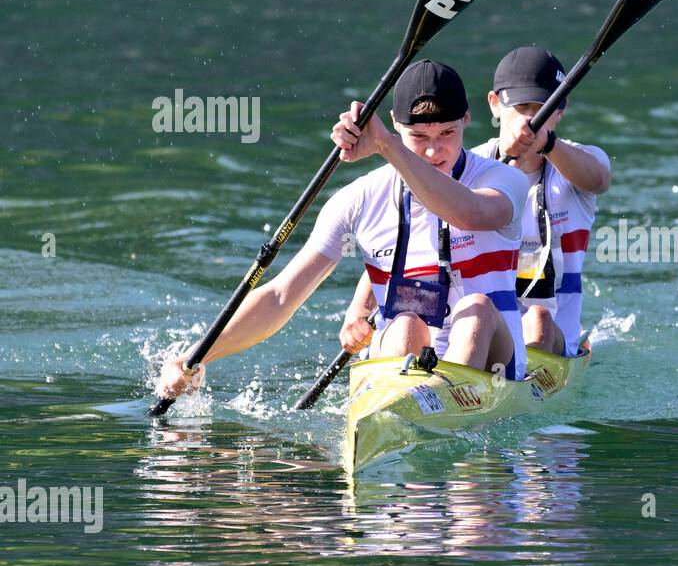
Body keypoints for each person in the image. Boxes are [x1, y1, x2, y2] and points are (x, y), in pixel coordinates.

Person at [156, 60, 530, 399]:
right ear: (398, 126)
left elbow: (469, 213)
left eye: (446, 133)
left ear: (467, 120)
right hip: (400, 364)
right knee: (404, 327)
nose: (434, 152)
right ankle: (406, 412)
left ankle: (446, 409)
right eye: (418, 138)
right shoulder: (358, 199)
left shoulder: (504, 179)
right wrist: (195, 359)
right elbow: (281, 296)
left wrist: (386, 146)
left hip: (491, 368)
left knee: (477, 309)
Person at [338, 46, 610, 360]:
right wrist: (360, 308)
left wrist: (547, 144)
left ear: (561, 111)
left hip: (547, 340)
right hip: (473, 330)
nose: (533, 118)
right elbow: (398, 239)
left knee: (537, 319)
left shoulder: (579, 163)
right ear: (494, 104)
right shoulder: (459, 165)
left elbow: (599, 180)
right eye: (522, 106)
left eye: (545, 107)